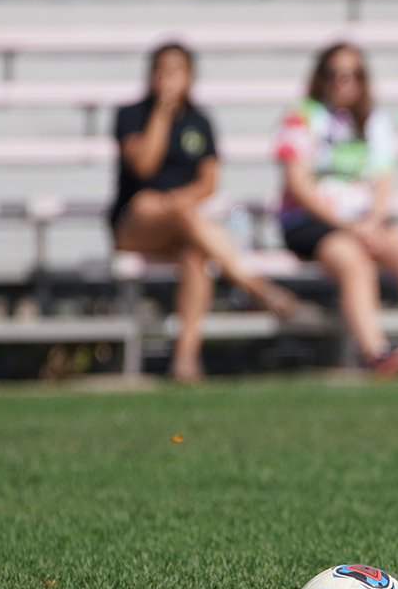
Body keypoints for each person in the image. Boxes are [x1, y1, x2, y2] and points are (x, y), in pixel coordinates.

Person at [111, 43, 297, 383]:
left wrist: (171, 202)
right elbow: (142, 165)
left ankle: (185, 358)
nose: (169, 78)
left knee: (195, 258)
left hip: (180, 222)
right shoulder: (132, 115)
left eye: (176, 70)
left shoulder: (200, 121)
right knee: (163, 209)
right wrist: (163, 112)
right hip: (136, 224)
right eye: (162, 70)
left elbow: (208, 182)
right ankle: (254, 285)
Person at [276, 44, 398, 377]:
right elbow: (299, 186)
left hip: (362, 219)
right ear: (321, 77)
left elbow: (383, 179)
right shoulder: (301, 114)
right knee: (353, 261)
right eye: (334, 74)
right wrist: (348, 226)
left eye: (351, 75)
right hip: (311, 220)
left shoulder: (371, 118)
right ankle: (375, 352)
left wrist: (370, 222)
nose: (342, 82)